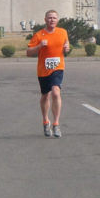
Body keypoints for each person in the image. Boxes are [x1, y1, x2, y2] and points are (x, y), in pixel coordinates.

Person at [27, 9, 70, 138]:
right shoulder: (39, 35)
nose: (52, 20)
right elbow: (28, 52)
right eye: (50, 18)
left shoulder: (63, 32)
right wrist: (39, 46)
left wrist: (67, 48)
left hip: (58, 67)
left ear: (57, 20)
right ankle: (46, 121)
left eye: (54, 18)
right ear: (45, 20)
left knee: (56, 92)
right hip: (43, 70)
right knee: (45, 96)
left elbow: (66, 46)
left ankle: (56, 124)